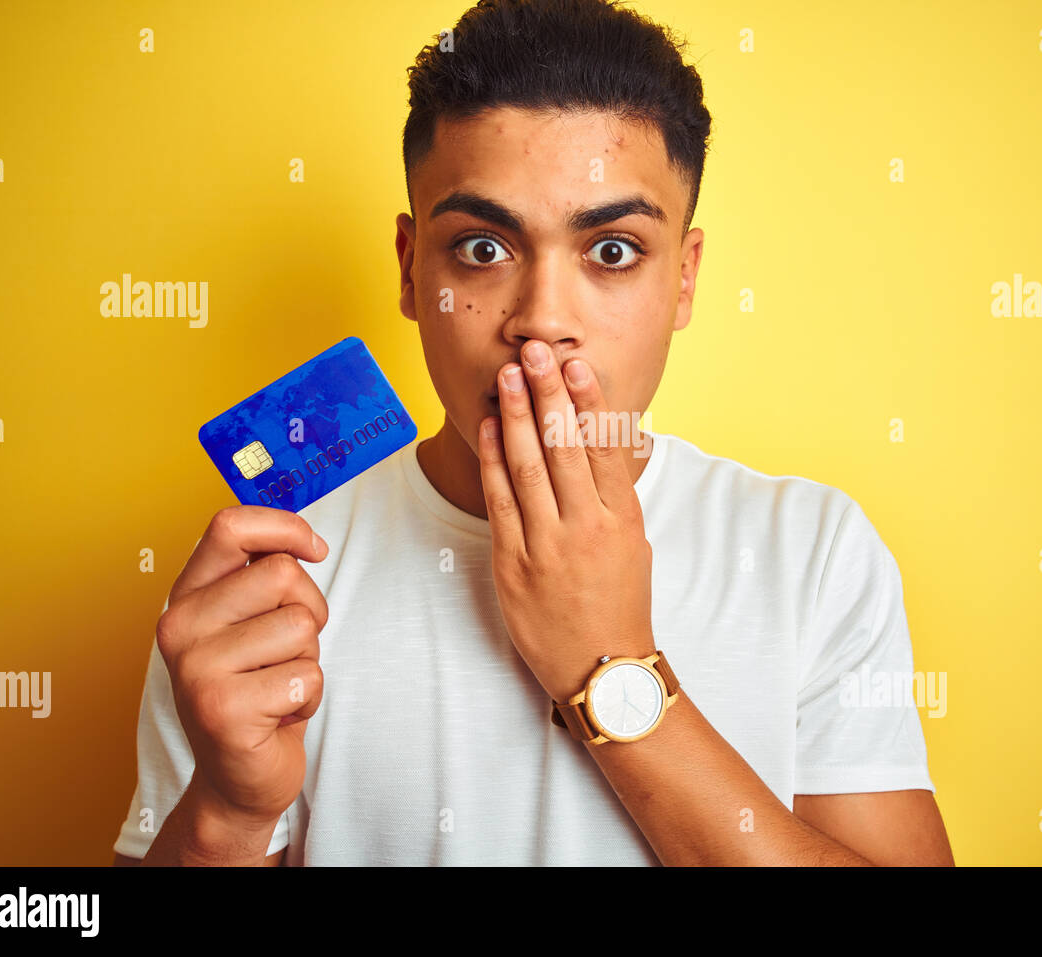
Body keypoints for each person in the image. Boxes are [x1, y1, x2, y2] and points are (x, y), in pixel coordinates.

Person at [113, 0, 954, 866]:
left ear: (686, 281)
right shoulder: (270, 581)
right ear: (410, 271)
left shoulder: (813, 551)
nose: (542, 321)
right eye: (482, 248)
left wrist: (609, 667)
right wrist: (227, 813)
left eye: (614, 251)